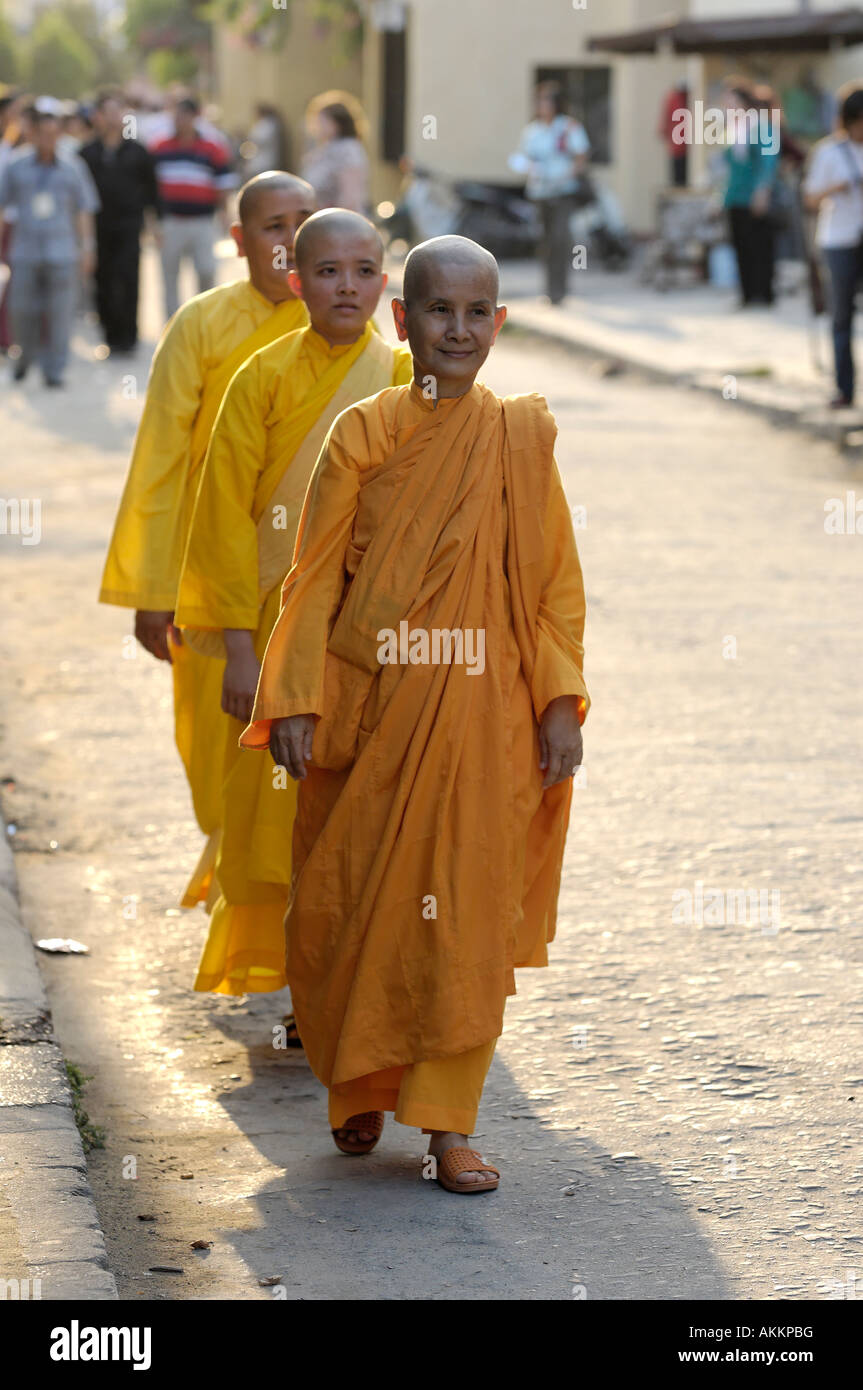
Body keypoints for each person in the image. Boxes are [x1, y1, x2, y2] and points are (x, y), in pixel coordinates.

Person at [240, 233, 589, 1191]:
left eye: (478, 313)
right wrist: (297, 698)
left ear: (500, 325)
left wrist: (560, 701)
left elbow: (555, 585)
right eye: (440, 311)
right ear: (406, 320)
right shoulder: (364, 433)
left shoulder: (518, 440)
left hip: (486, 718)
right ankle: (358, 1089)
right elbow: (312, 580)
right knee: (355, 905)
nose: (459, 329)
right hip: (374, 708)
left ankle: (447, 1128)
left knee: (463, 917)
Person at [174, 208, 412, 1001]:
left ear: (385, 283)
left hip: (369, 634)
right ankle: (288, 969)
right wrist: (238, 647)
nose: (347, 286)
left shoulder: (404, 379)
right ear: (294, 280)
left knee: (365, 805)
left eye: (364, 271)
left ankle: (353, 972)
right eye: (327, 271)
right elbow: (223, 519)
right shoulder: (262, 376)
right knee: (273, 807)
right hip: (276, 633)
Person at [99, 173, 314, 877]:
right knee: (211, 741)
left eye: (302, 223)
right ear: (239, 240)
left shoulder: (343, 324)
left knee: (296, 739)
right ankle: (234, 864)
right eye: (272, 226)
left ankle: (268, 899)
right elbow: (158, 460)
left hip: (300, 576)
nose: (289, 241)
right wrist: (150, 588)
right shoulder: (201, 323)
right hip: (206, 575)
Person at [0, 98, 99, 386]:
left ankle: (54, 369)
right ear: (32, 134)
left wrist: (88, 247)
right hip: (25, 250)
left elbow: (84, 209)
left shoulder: (73, 167)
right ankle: (24, 357)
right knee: (21, 310)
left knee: (59, 314)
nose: (49, 140)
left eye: (54, 134)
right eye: (43, 134)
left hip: (62, 251)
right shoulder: (16, 166)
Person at [80, 89, 160, 355]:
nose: (113, 118)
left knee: (128, 278)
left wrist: (155, 224)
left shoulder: (137, 151)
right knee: (102, 280)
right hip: (98, 227)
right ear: (97, 116)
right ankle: (110, 336)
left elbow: (151, 190)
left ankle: (128, 337)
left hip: (128, 225)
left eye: (118, 111)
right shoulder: (87, 153)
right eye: (107, 112)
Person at [150, 95, 236, 320]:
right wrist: (152, 223)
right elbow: (150, 188)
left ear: (195, 117)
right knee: (169, 276)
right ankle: (172, 326)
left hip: (202, 221)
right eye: (176, 115)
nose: (179, 120)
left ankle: (204, 323)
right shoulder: (159, 146)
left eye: (184, 115)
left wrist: (224, 214)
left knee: (206, 272)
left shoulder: (212, 147)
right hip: (170, 221)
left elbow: (223, 184)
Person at [804, 83, 863, 407]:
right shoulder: (828, 152)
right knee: (842, 317)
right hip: (838, 240)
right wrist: (837, 188)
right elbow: (810, 198)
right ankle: (845, 389)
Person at [510, 81, 590, 304]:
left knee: (560, 239)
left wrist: (565, 176)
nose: (542, 106)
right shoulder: (532, 130)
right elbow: (523, 157)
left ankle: (561, 290)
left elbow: (581, 156)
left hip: (562, 193)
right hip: (540, 193)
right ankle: (548, 290)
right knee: (545, 241)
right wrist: (528, 167)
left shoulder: (568, 127)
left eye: (546, 101)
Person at [722, 77, 780, 307]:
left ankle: (763, 294)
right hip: (735, 196)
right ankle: (746, 294)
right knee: (741, 247)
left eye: (732, 103)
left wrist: (763, 191)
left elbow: (768, 162)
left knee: (760, 247)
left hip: (755, 197)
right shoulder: (732, 131)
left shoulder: (762, 127)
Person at [301, 92, 369, 214]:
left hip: (338, 223)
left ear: (336, 123)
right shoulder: (326, 148)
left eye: (321, 121)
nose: (316, 126)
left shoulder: (348, 149)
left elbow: (350, 197)